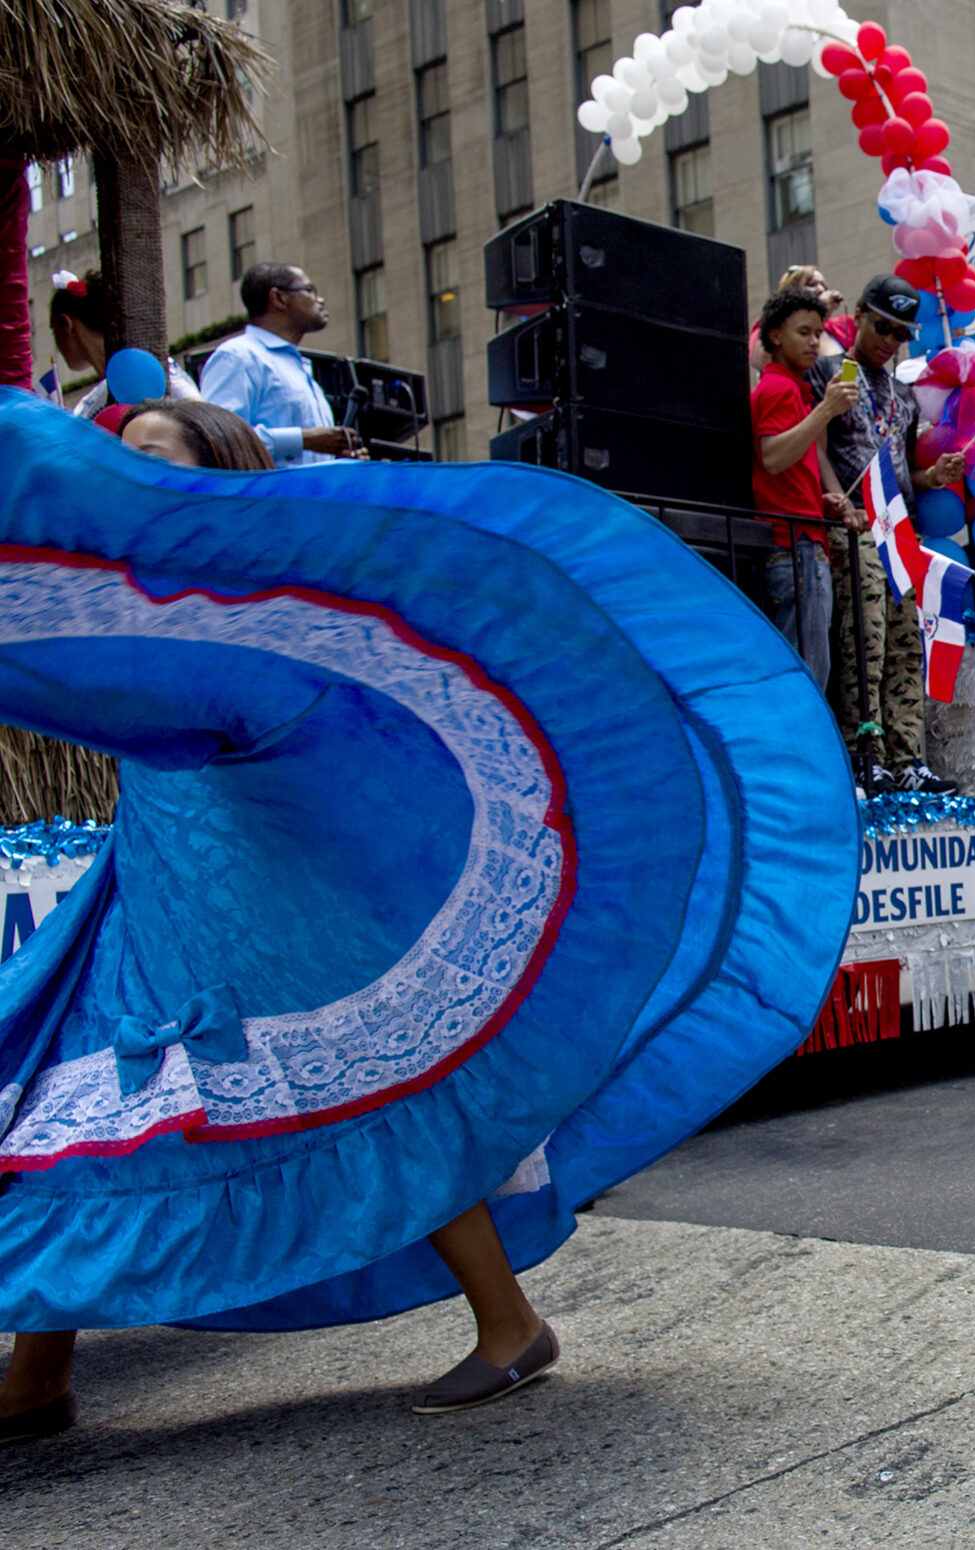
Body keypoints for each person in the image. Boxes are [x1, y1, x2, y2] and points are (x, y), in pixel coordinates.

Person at [0, 388, 856, 1441]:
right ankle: (37, 1369)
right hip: (162, 879)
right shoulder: (163, 608)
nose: (121, 475)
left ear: (209, 479)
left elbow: (159, 687)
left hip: (265, 884)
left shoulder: (263, 615)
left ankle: (510, 1321)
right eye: (116, 453)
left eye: (149, 458)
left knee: (359, 1089)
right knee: (71, 1107)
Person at [816, 275, 961, 796]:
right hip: (853, 524)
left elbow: (900, 466)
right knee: (866, 638)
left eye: (902, 334)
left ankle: (906, 758)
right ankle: (865, 753)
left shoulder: (902, 391)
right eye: (882, 326)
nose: (889, 341)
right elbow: (814, 444)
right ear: (858, 313)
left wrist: (932, 477)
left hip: (901, 529)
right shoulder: (826, 372)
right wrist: (837, 499)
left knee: (906, 646)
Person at [752, 286, 860, 687]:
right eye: (804, 332)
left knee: (809, 670)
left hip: (801, 543)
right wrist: (827, 409)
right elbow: (773, 458)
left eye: (818, 332)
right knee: (807, 676)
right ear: (775, 336)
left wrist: (825, 500)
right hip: (794, 547)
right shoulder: (779, 388)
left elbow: (797, 461)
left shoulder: (793, 388)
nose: (815, 342)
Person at [198, 262, 362, 465]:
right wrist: (304, 440)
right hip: (268, 497)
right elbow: (218, 439)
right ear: (278, 298)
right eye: (309, 290)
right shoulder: (238, 356)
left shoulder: (298, 367)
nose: (320, 300)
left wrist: (340, 458)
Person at [45, 269, 200, 421]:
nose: (57, 345)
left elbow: (199, 413)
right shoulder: (90, 404)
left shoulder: (147, 369)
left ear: (67, 324)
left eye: (54, 331)